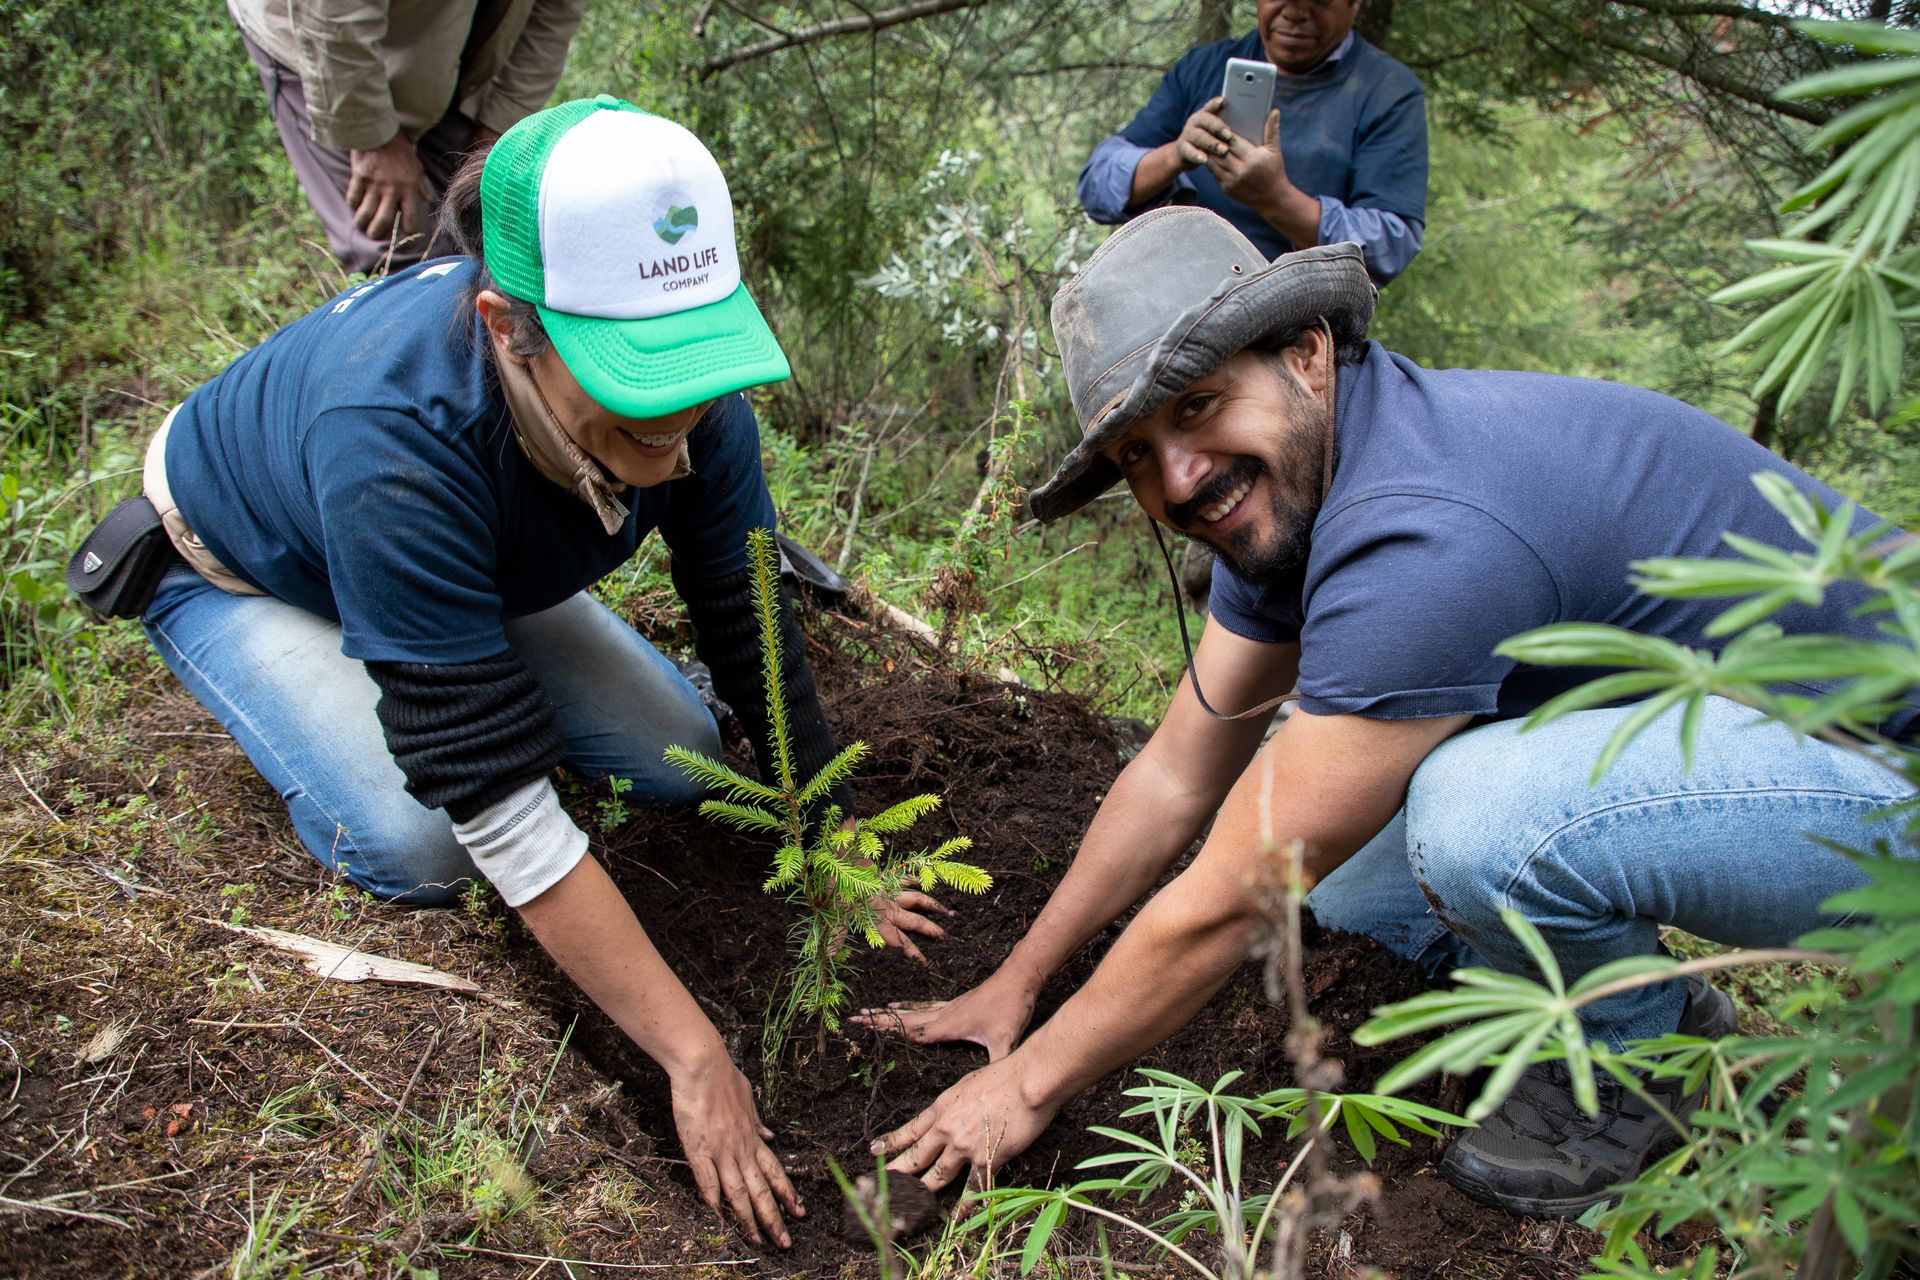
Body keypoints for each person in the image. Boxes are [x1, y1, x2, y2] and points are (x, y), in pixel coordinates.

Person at [860, 207, 1919, 1219]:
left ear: (1306, 353)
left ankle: (1634, 1059)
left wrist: (1026, 1086)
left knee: (1474, 818)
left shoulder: (1418, 531)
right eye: (1135, 452)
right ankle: (1618, 986)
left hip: (1881, 781)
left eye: (1197, 405)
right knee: (1358, 903)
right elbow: (1178, 774)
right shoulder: (1292, 492)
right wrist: (1017, 981)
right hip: (1743, 752)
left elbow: (1239, 892)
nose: (1177, 480)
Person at [136, 96, 949, 1247]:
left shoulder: (697, 404)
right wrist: (693, 1053)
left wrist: (832, 831)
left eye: (694, 364)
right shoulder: (395, 439)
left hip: (457, 562)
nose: (678, 419)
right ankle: (382, 662)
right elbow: (500, 805)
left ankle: (446, 635)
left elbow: (746, 613)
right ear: (509, 326)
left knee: (683, 754)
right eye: (633, 381)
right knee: (425, 840)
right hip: (243, 567)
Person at [1077, 0, 1427, 285]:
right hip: (1182, 302)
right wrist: (1176, 155)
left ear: (1355, 4)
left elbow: (1391, 244)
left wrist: (1275, 198)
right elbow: (1097, 186)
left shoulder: (1388, 91)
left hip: (1304, 323)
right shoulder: (1202, 68)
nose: (1295, 12)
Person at [227, 0, 585, 274]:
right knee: (409, 251)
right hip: (325, 41)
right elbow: (334, 13)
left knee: (483, 235)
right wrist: (372, 139)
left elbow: (553, 14)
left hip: (455, 47)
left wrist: (498, 123)